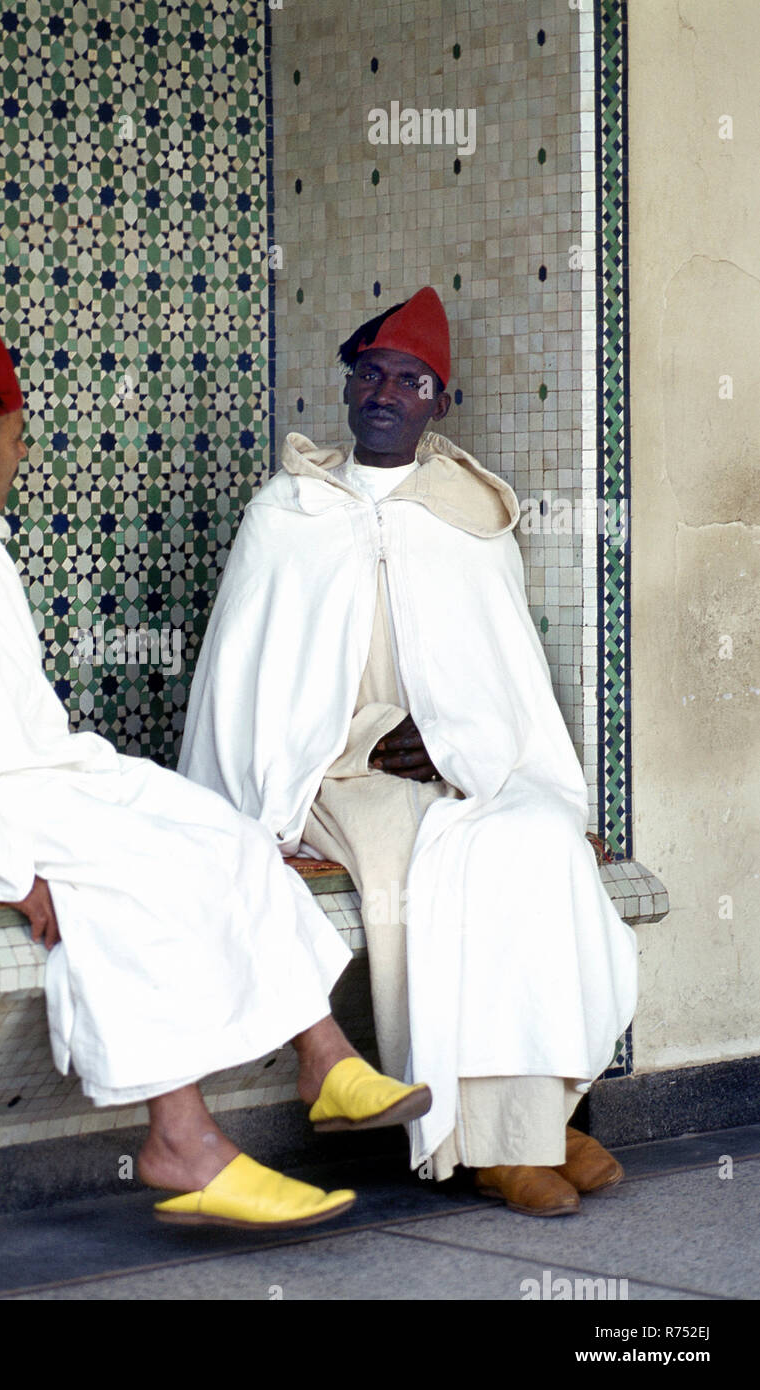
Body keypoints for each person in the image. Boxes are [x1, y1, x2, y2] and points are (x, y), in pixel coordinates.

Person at [0, 295, 432, 1230]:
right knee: (132, 879)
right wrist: (5, 875)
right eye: (14, 440)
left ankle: (324, 1057)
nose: (22, 456)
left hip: (40, 780)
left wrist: (91, 786)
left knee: (222, 831)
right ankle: (180, 1136)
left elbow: (28, 729)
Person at [179, 288, 638, 1217]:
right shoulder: (289, 511)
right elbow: (250, 677)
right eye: (368, 376)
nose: (385, 392)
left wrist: (449, 736)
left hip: (456, 762)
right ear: (347, 392)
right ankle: (486, 1145)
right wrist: (348, 736)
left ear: (439, 401)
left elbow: (499, 676)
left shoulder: (464, 514)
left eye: (409, 380)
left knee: (535, 841)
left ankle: (538, 1119)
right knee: (419, 860)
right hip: (326, 769)